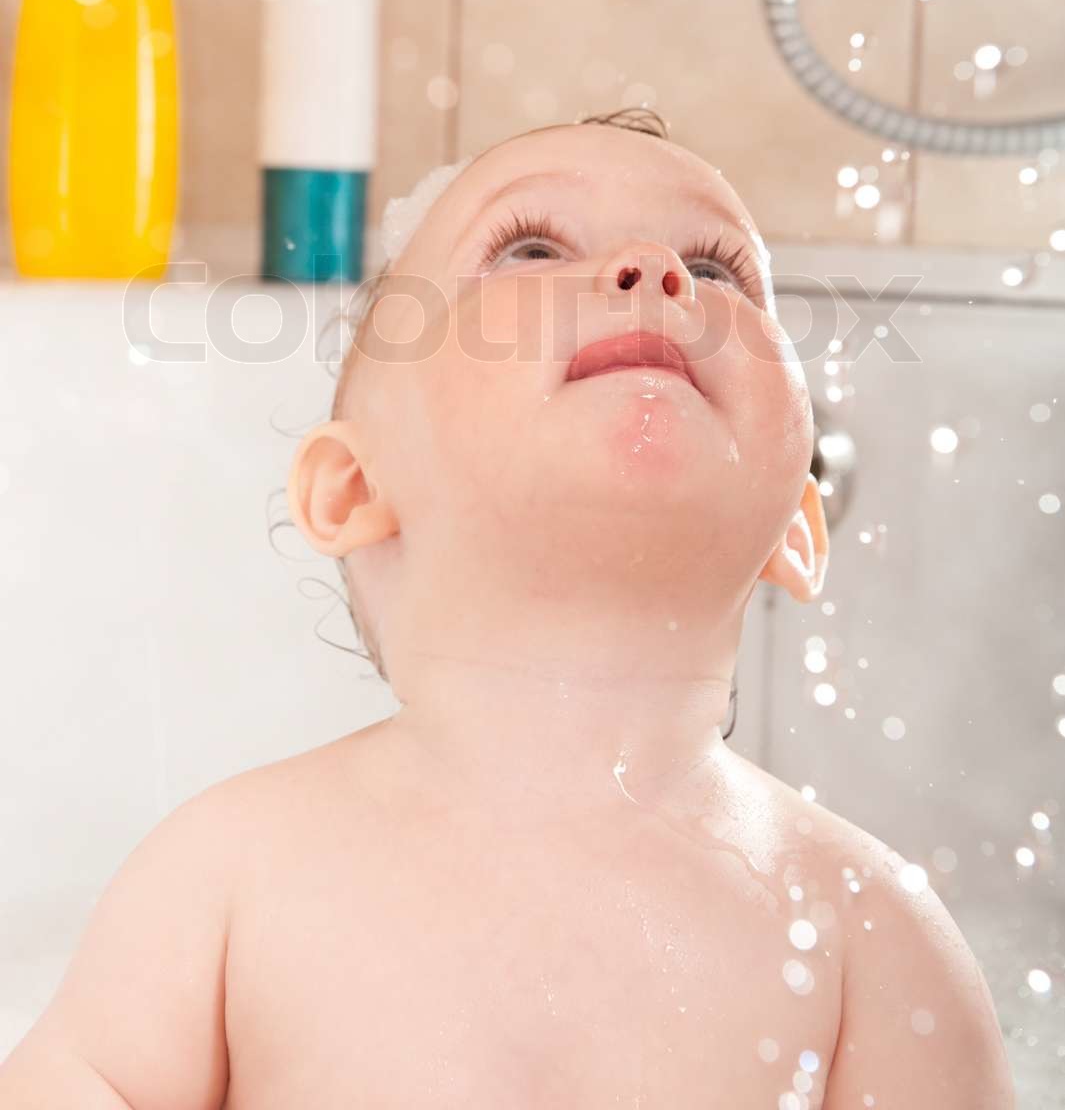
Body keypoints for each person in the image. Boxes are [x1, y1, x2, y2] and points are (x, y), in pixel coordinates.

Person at [0, 108, 1015, 1108]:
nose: (653, 271)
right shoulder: (226, 876)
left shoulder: (871, 936)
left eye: (713, 271)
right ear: (355, 487)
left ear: (797, 523)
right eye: (529, 248)